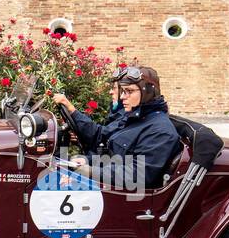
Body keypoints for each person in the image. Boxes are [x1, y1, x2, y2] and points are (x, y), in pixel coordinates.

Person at [51, 66, 182, 189]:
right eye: (123, 91)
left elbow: (139, 175)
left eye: (129, 91)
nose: (122, 96)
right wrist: (86, 161)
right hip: (110, 186)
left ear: (147, 92)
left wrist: (91, 171)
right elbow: (112, 152)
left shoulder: (160, 130)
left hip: (127, 199)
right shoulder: (133, 118)